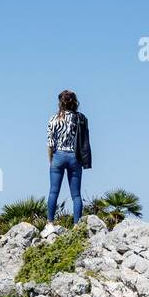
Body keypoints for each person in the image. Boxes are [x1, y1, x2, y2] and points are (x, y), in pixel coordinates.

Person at [46, 89, 92, 224]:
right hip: (74, 157)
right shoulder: (80, 118)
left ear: (60, 102)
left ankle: (50, 223)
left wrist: (51, 161)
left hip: (58, 156)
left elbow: (50, 144)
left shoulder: (53, 119)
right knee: (76, 195)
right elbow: (84, 140)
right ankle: (77, 226)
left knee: (53, 192)